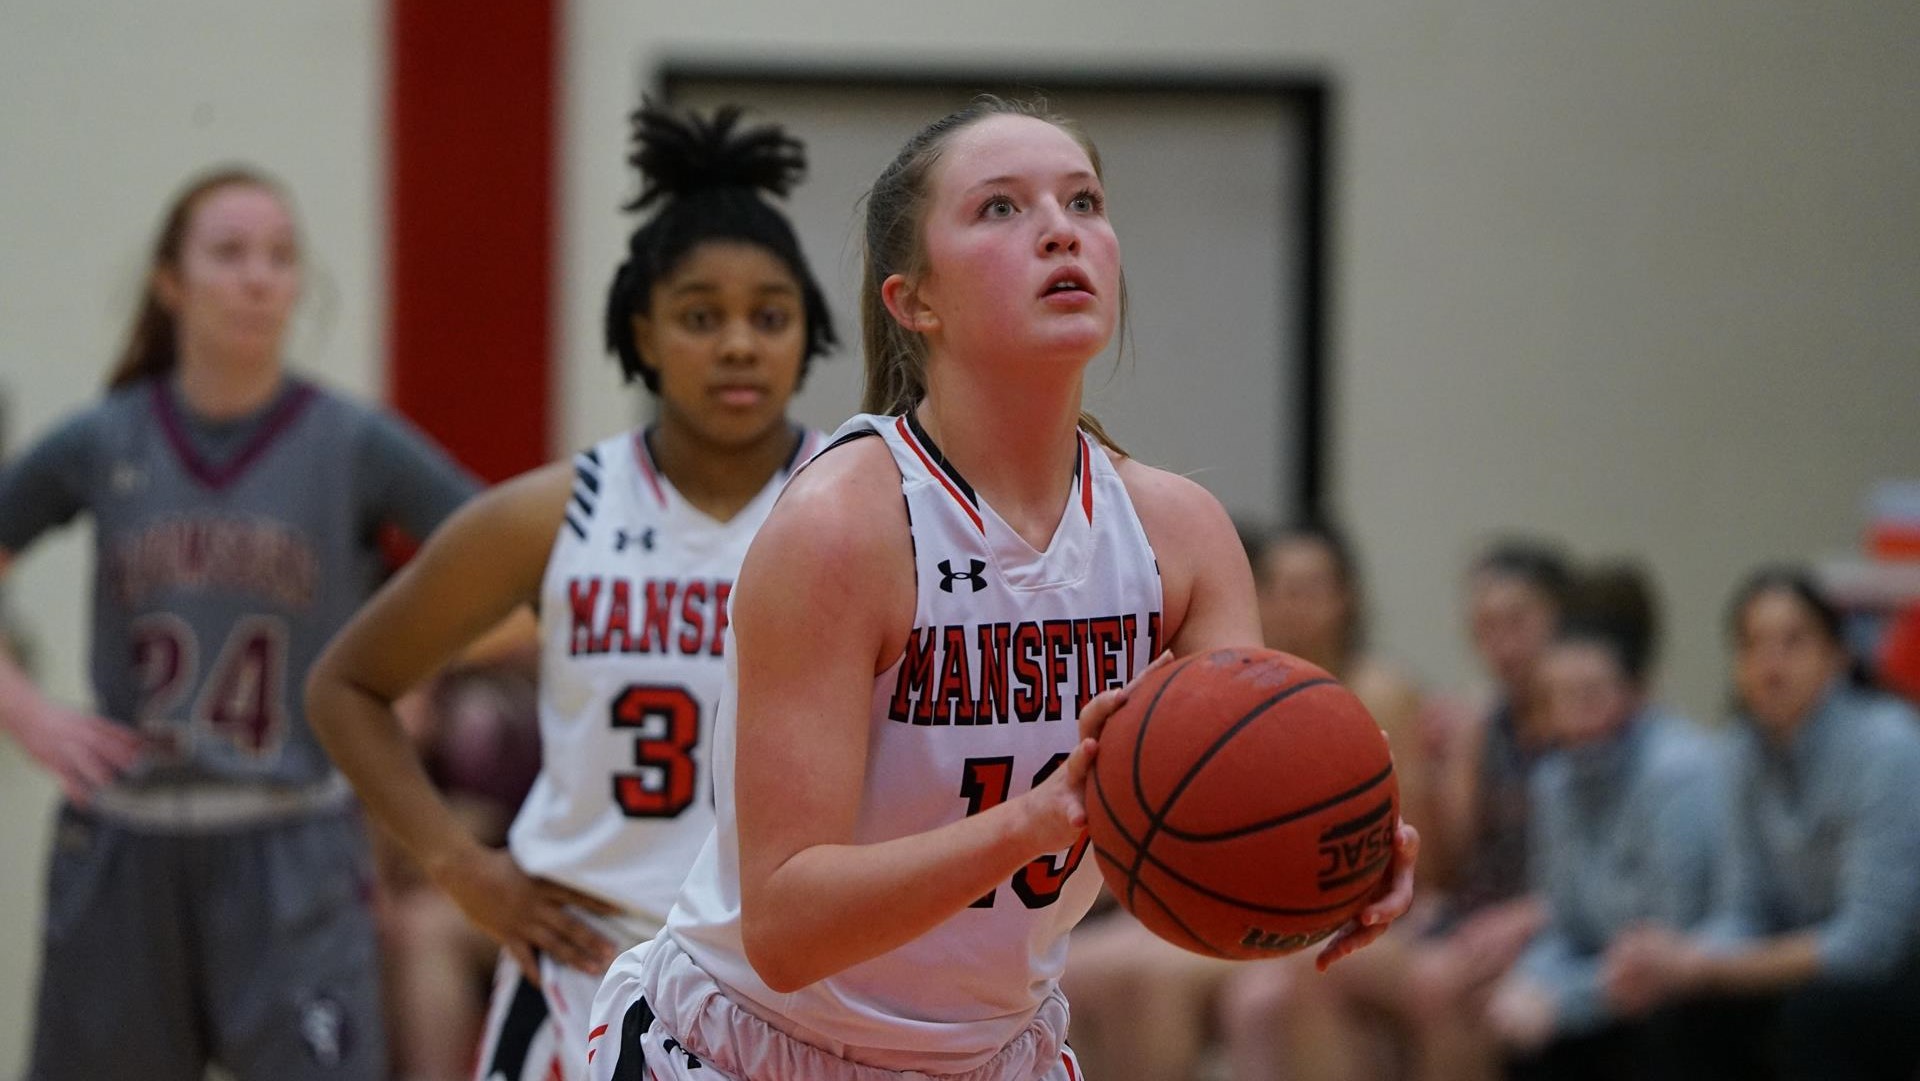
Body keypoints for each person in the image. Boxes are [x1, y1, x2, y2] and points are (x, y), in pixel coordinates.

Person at [583, 95, 1419, 1081]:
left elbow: (1214, 822)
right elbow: (788, 924)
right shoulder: (843, 528)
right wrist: (1035, 820)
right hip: (750, 1048)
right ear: (914, 301)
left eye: (1084, 201)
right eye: (1001, 209)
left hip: (996, 1055)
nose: (1061, 228)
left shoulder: (1182, 534)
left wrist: (1327, 852)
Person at [304, 102, 836, 1081]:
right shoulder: (554, 514)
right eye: (700, 315)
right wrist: (460, 867)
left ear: (808, 332)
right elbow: (345, 685)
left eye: (769, 315)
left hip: (790, 974)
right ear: (643, 328)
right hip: (586, 963)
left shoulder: (861, 506)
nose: (737, 344)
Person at [0, 166, 478, 1081]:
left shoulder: (352, 441)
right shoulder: (105, 440)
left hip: (292, 841)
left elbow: (508, 562)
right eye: (230, 254)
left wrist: (403, 673)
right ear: (171, 283)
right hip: (126, 845)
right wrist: (27, 711)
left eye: (280, 256)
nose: (259, 277)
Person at [1062, 520, 1427, 1081]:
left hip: (1335, 907)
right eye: (1277, 586)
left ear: (1346, 599)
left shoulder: (1377, 689)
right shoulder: (1238, 690)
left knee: (1155, 985)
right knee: (1079, 969)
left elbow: (1412, 846)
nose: (1290, 603)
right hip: (1246, 894)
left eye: (1309, 588)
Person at [1218, 538, 1567, 1081]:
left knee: (1401, 984)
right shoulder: (1484, 722)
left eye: (1516, 622)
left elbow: (1427, 860)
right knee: (1270, 996)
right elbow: (1456, 857)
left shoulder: (1595, 728)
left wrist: (1533, 913)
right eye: (1485, 626)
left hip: (1535, 931)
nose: (1501, 643)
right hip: (1466, 919)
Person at [1601, 566, 1920, 1081]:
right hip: (1801, 961)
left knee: (1816, 1016)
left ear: (1837, 657)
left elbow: (1870, 943)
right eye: (1753, 645)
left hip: (1897, 971)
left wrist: (1708, 968)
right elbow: (1741, 911)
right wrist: (1674, 955)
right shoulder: (1739, 753)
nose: (1771, 664)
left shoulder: (1889, 745)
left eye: (1793, 642)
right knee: (1674, 1013)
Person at [1484, 565, 1729, 1080]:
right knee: (1509, 1017)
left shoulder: (1678, 772)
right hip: (1604, 976)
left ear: (1636, 693)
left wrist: (1563, 1001)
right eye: (1558, 697)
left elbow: (1670, 937)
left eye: (1591, 695)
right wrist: (1528, 983)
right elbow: (1564, 920)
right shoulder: (1553, 779)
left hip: (1687, 987)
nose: (1573, 717)